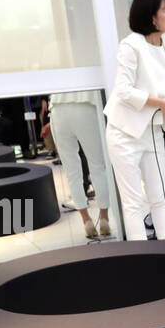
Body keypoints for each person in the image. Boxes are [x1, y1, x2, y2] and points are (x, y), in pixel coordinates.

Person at [104, 0, 165, 242]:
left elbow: (164, 83)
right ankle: (142, 260)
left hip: (153, 130)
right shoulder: (130, 45)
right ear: (152, 17)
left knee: (159, 196)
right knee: (133, 203)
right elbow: (123, 91)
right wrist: (161, 103)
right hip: (124, 131)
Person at [42, 90, 111, 239]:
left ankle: (86, 220)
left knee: (72, 171)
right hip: (86, 103)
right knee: (98, 166)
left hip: (58, 107)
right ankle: (104, 218)